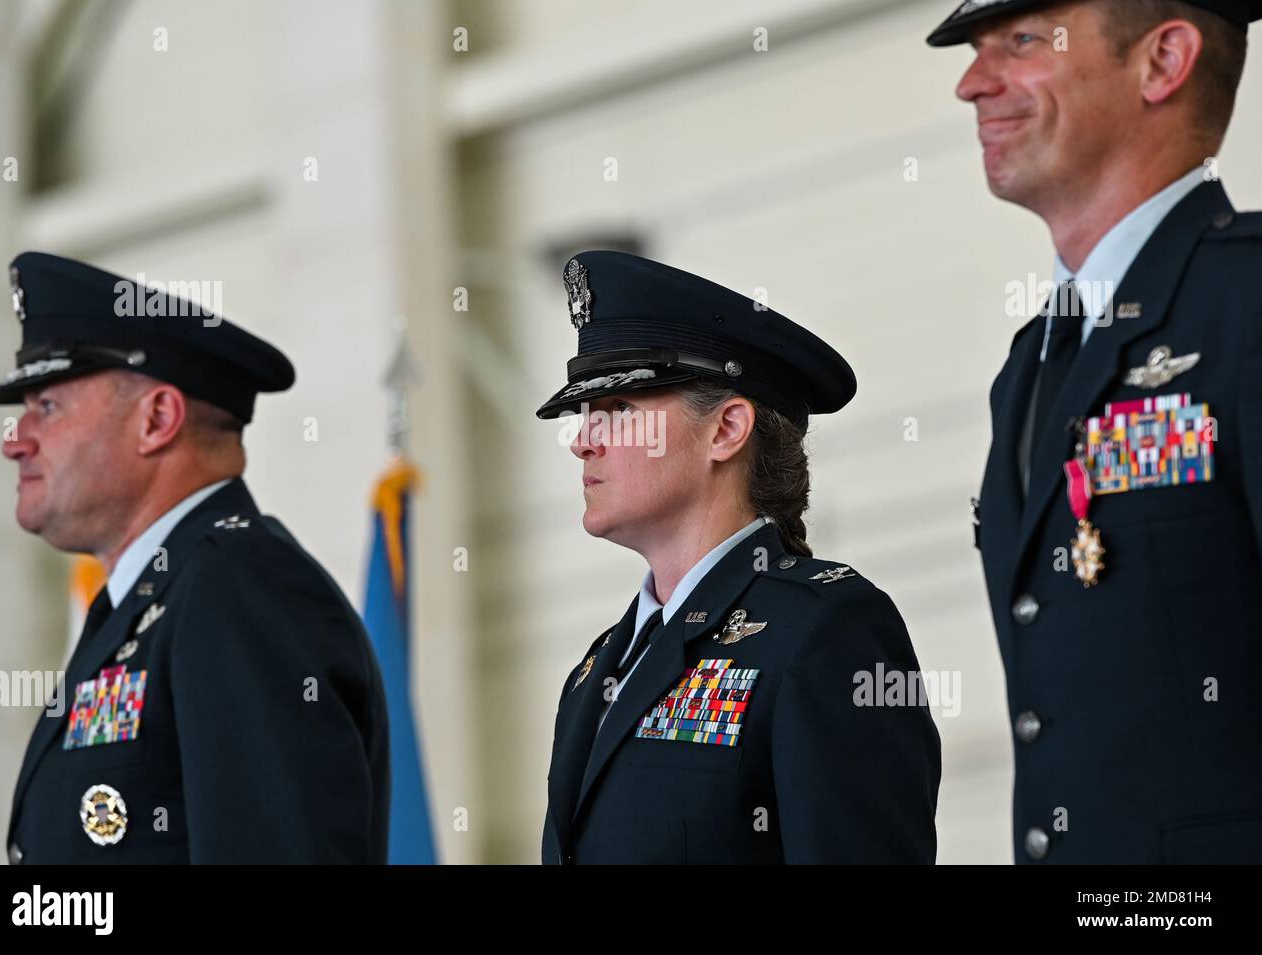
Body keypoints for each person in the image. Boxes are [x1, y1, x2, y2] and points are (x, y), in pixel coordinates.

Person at [928, 0, 1262, 862]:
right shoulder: (1032, 365)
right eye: (975, 51)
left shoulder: (1249, 304)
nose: (973, 83)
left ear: (1163, 62)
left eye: (1023, 41)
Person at [534, 250, 941, 864]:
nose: (583, 441)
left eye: (619, 410)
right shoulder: (599, 668)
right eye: (585, 414)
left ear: (726, 429)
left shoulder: (827, 632)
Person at [0, 251, 390, 863]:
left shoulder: (241, 588)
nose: (15, 441)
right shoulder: (153, 599)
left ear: (156, 419)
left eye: (47, 406)